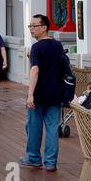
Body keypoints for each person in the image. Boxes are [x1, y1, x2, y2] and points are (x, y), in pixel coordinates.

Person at [21, 14, 66, 172]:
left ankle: (33, 158)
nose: (31, 29)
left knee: (34, 126)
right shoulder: (58, 45)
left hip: (39, 93)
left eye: (34, 26)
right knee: (53, 128)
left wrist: (30, 94)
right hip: (56, 92)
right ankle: (51, 162)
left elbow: (35, 70)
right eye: (30, 26)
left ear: (44, 27)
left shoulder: (37, 47)